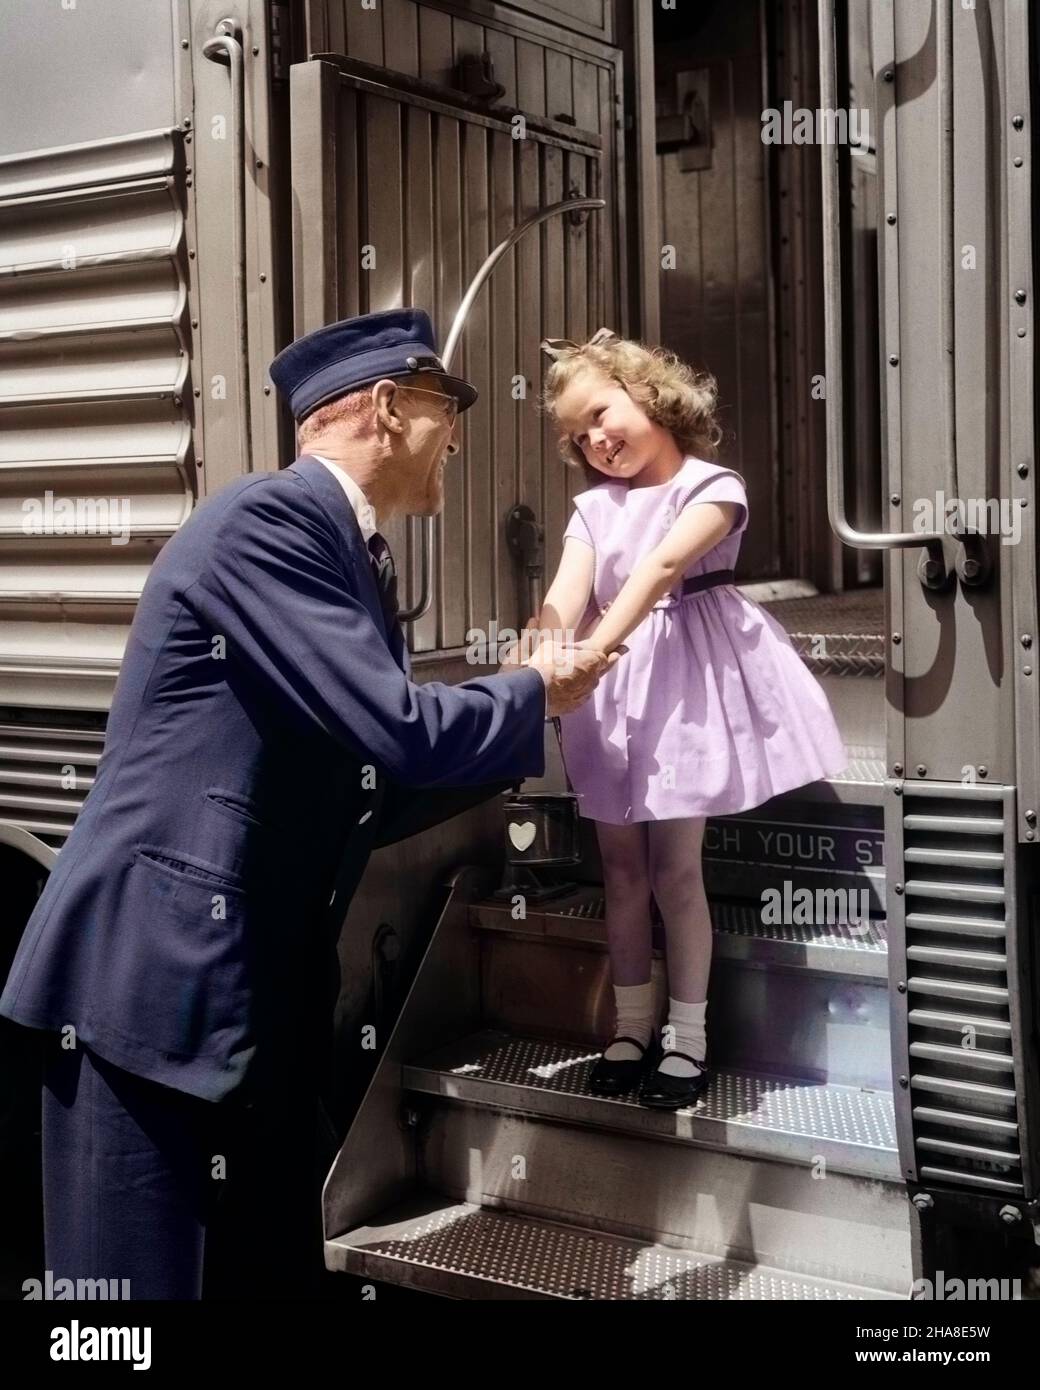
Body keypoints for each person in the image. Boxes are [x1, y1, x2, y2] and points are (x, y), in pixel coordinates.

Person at [0, 307, 615, 1298]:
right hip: (153, 999)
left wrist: (523, 722)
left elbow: (376, 779)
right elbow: (399, 727)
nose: (456, 432)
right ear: (383, 407)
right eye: (444, 406)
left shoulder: (349, 556)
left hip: (249, 1011)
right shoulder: (269, 523)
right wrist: (530, 691)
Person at [531, 327, 846, 1109]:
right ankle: (631, 1024)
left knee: (674, 870)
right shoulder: (591, 508)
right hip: (610, 698)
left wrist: (596, 649)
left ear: (648, 392)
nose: (598, 440)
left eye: (603, 413)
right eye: (579, 435)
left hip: (679, 689)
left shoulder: (714, 486)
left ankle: (689, 1036)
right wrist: (540, 648)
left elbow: (661, 569)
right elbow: (569, 590)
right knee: (622, 870)